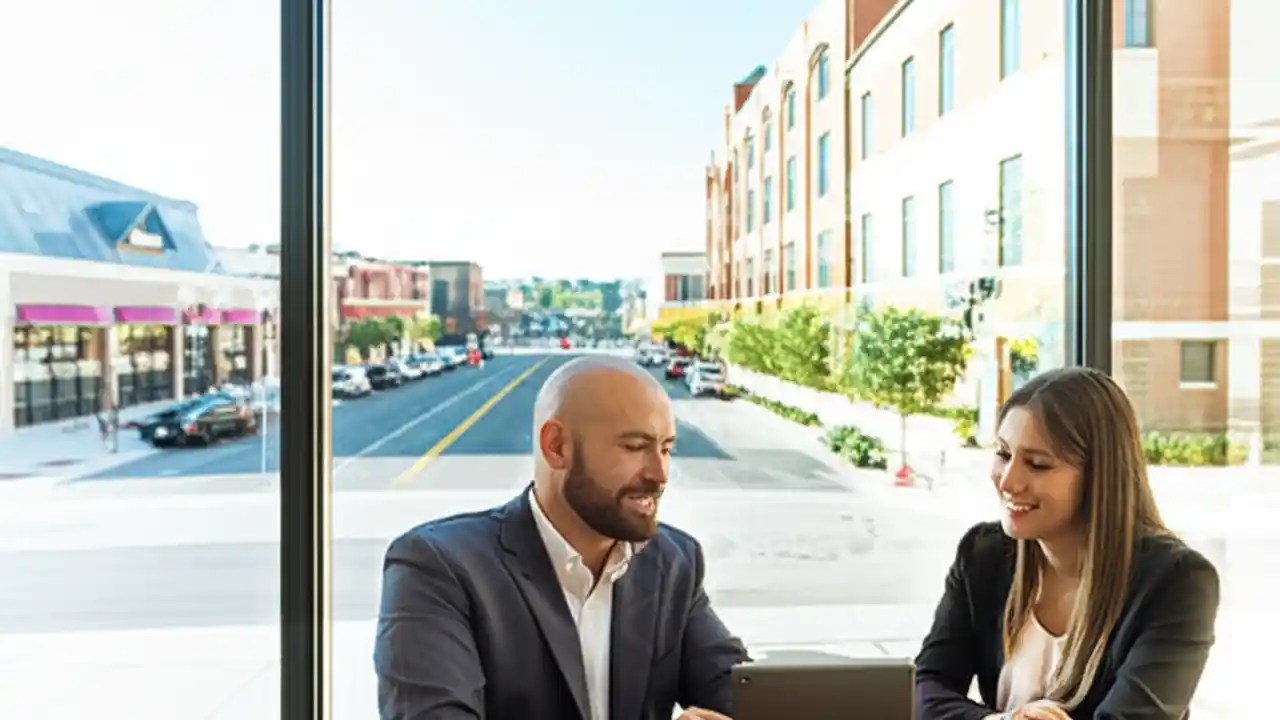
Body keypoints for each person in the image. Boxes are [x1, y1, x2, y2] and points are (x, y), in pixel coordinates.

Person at [375, 355, 749, 720]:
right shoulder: (437, 567)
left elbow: (741, 692)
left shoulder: (674, 561)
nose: (659, 473)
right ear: (557, 446)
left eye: (666, 449)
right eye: (635, 447)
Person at [915, 367, 1220, 720]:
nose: (1009, 481)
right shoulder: (983, 554)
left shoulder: (1178, 582)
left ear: (1099, 477)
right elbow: (928, 686)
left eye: (1038, 464)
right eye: (1003, 453)